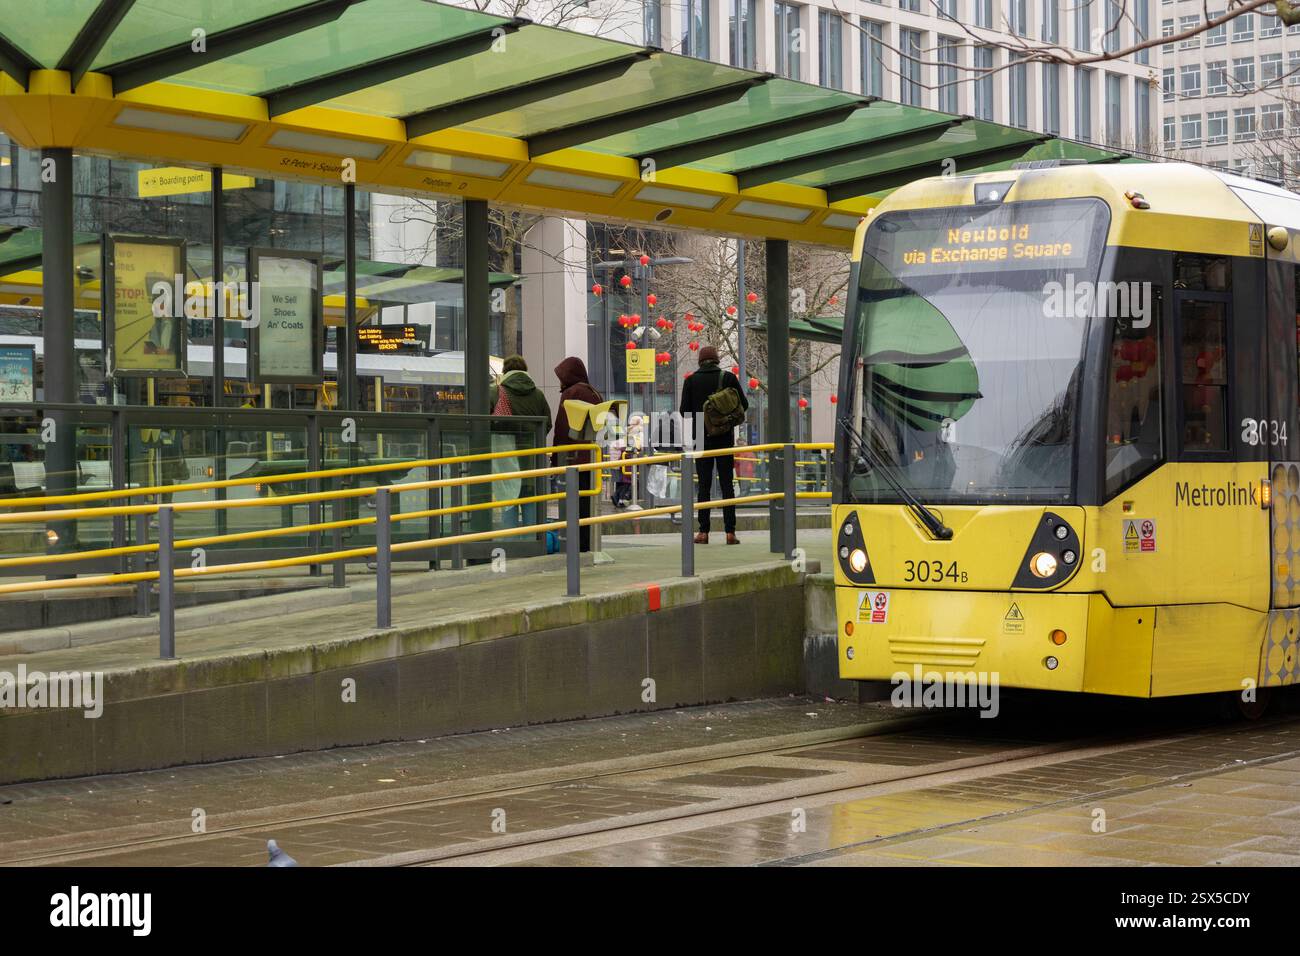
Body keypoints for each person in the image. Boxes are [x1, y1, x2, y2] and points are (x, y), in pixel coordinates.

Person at [679, 345, 748, 544]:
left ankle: (703, 532)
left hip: (701, 436)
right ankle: (730, 532)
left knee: (704, 486)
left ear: (700, 361)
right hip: (724, 435)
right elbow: (743, 404)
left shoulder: (691, 380)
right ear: (717, 360)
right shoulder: (728, 378)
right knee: (727, 484)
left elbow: (684, 411)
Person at [491, 355, 551, 529]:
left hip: (505, 458)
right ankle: (532, 541)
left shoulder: (496, 392)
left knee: (508, 501)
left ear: (505, 372)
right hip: (531, 459)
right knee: (530, 500)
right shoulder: (538, 395)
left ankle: (510, 542)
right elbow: (547, 423)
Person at [552, 356, 602, 551]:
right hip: (591, 457)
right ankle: (586, 544)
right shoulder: (593, 392)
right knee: (586, 504)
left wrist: (556, 458)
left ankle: (574, 545)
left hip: (572, 457)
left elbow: (561, 428)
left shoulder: (571, 393)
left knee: (573, 504)